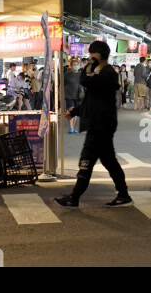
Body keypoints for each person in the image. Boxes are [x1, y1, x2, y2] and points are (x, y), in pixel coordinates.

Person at [54, 41, 133, 209]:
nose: (89, 58)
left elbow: (85, 81)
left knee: (86, 159)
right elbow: (91, 99)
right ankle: (123, 194)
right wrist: (74, 112)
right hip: (99, 123)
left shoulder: (108, 73)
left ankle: (74, 197)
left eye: (92, 54)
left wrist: (91, 64)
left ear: (98, 55)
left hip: (102, 125)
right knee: (109, 161)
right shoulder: (100, 72)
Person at [64, 58, 83, 134]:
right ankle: (71, 128)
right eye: (74, 65)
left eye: (77, 65)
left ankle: (73, 128)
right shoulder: (67, 74)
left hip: (78, 96)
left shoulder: (81, 74)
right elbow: (62, 85)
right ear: (71, 66)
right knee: (72, 111)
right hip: (69, 96)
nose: (76, 66)